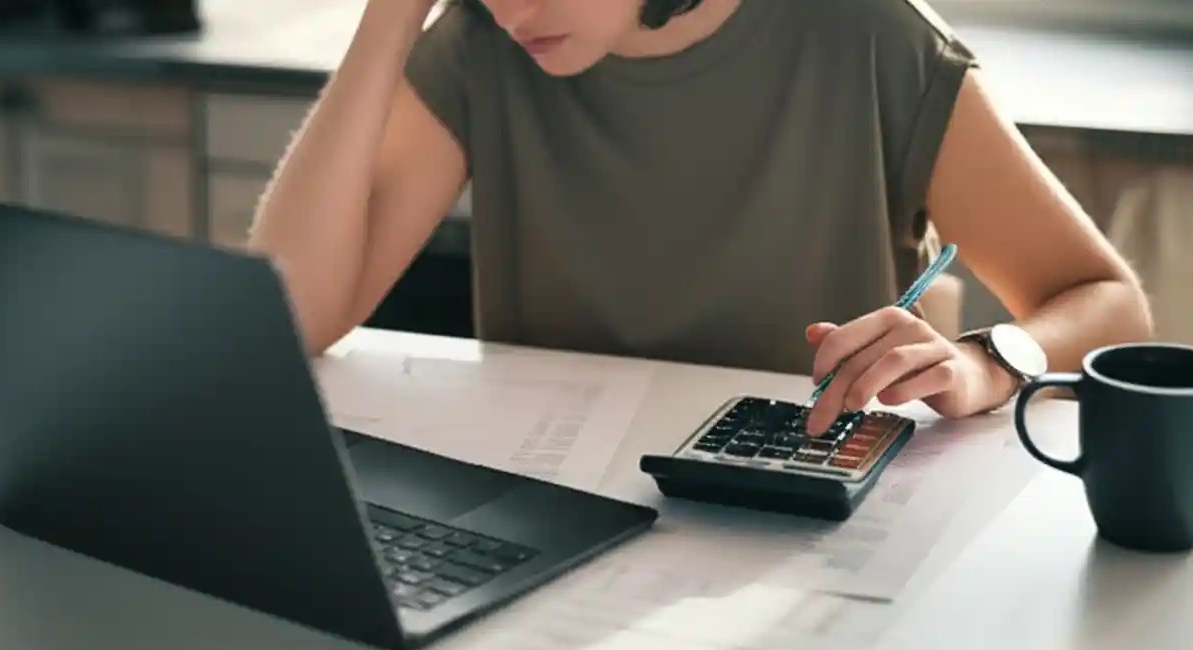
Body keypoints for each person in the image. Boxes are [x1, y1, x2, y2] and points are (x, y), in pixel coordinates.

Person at [250, 0, 1152, 436]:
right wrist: (390, 17)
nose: (512, 4)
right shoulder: (487, 44)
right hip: (557, 511)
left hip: (795, 528)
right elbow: (290, 320)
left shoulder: (865, 34)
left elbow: (1106, 298)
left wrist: (984, 362)